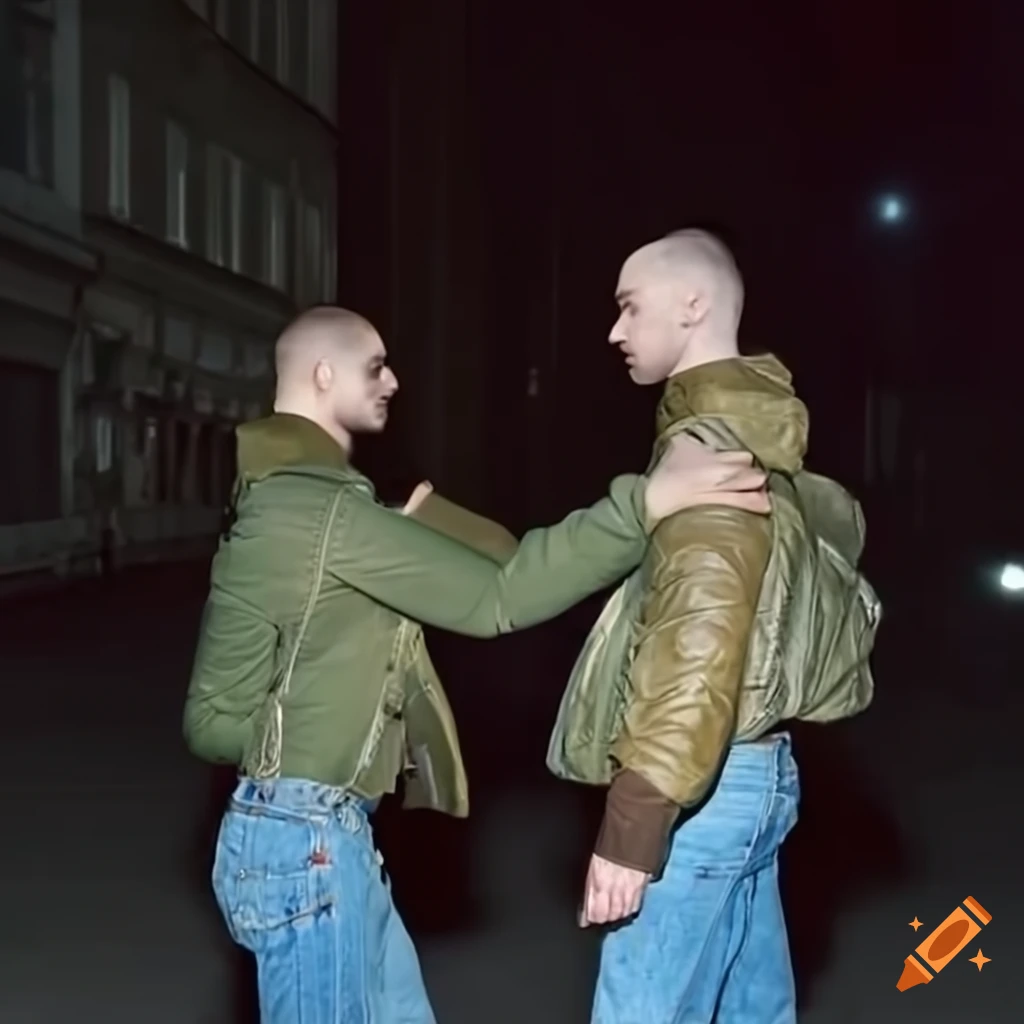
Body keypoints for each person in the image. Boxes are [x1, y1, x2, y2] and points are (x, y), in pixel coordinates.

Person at [183, 305, 772, 1024]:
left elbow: (500, 556)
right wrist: (644, 502)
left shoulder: (304, 503)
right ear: (323, 375)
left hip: (325, 837)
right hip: (304, 838)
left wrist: (426, 515)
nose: (394, 381)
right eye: (376, 367)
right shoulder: (323, 515)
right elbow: (501, 598)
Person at [546, 230, 880, 1023]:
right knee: (752, 1009)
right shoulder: (762, 442)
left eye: (630, 307)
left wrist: (635, 820)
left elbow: (698, 645)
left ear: (692, 305)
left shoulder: (705, 451)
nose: (614, 332)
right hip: (757, 773)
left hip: (701, 789)